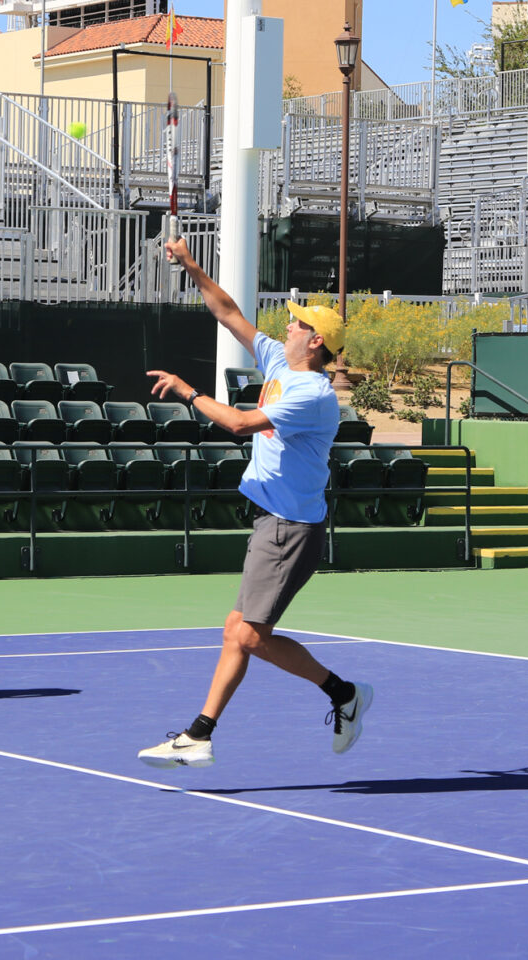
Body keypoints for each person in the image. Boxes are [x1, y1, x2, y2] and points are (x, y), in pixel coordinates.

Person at [138, 237, 371, 768]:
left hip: (290, 530)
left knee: (247, 635)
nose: (286, 325)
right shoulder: (277, 363)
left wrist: (189, 393)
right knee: (235, 633)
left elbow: (241, 424)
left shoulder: (311, 394)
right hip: (273, 524)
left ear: (314, 342)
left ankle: (344, 694)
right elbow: (228, 312)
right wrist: (192, 266)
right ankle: (200, 734)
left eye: (296, 322)